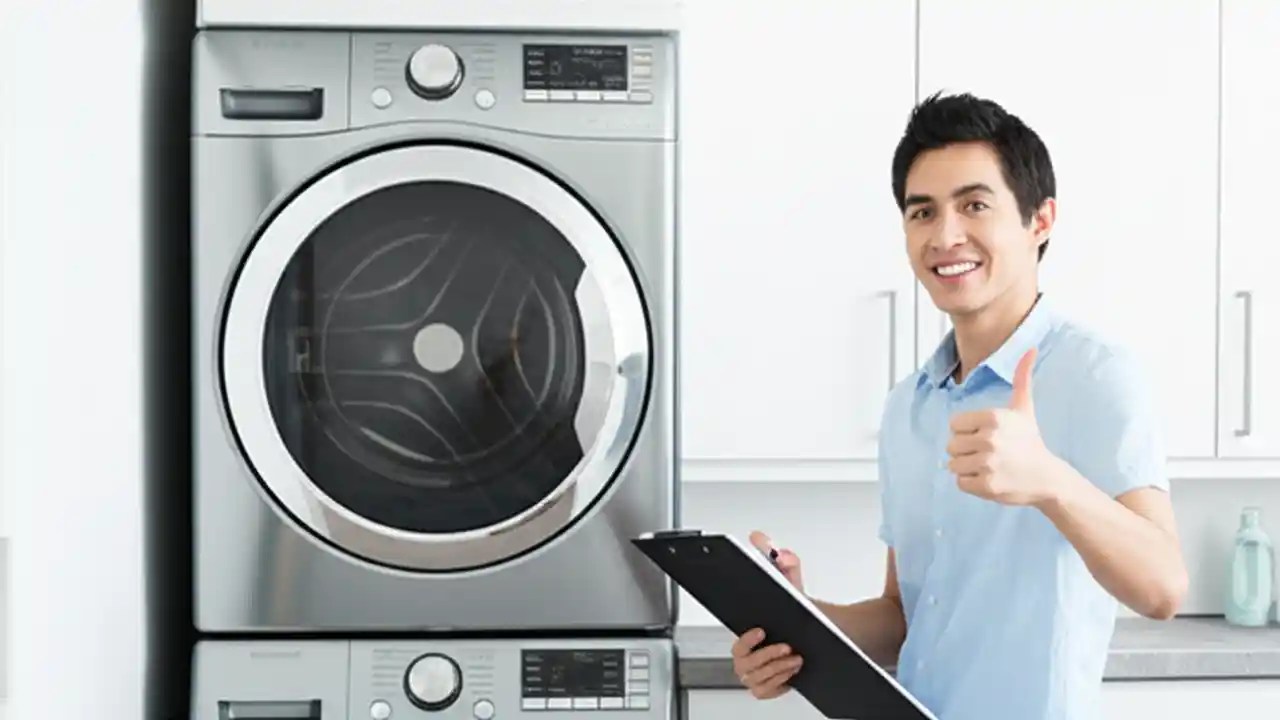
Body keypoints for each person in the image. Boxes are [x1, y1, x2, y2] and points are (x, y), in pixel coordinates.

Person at [730, 92, 1189, 720]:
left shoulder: (1094, 375)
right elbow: (905, 618)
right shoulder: (909, 408)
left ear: (1040, 221)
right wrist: (800, 622)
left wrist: (1050, 481)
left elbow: (1164, 589)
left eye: (974, 205)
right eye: (923, 212)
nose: (945, 236)